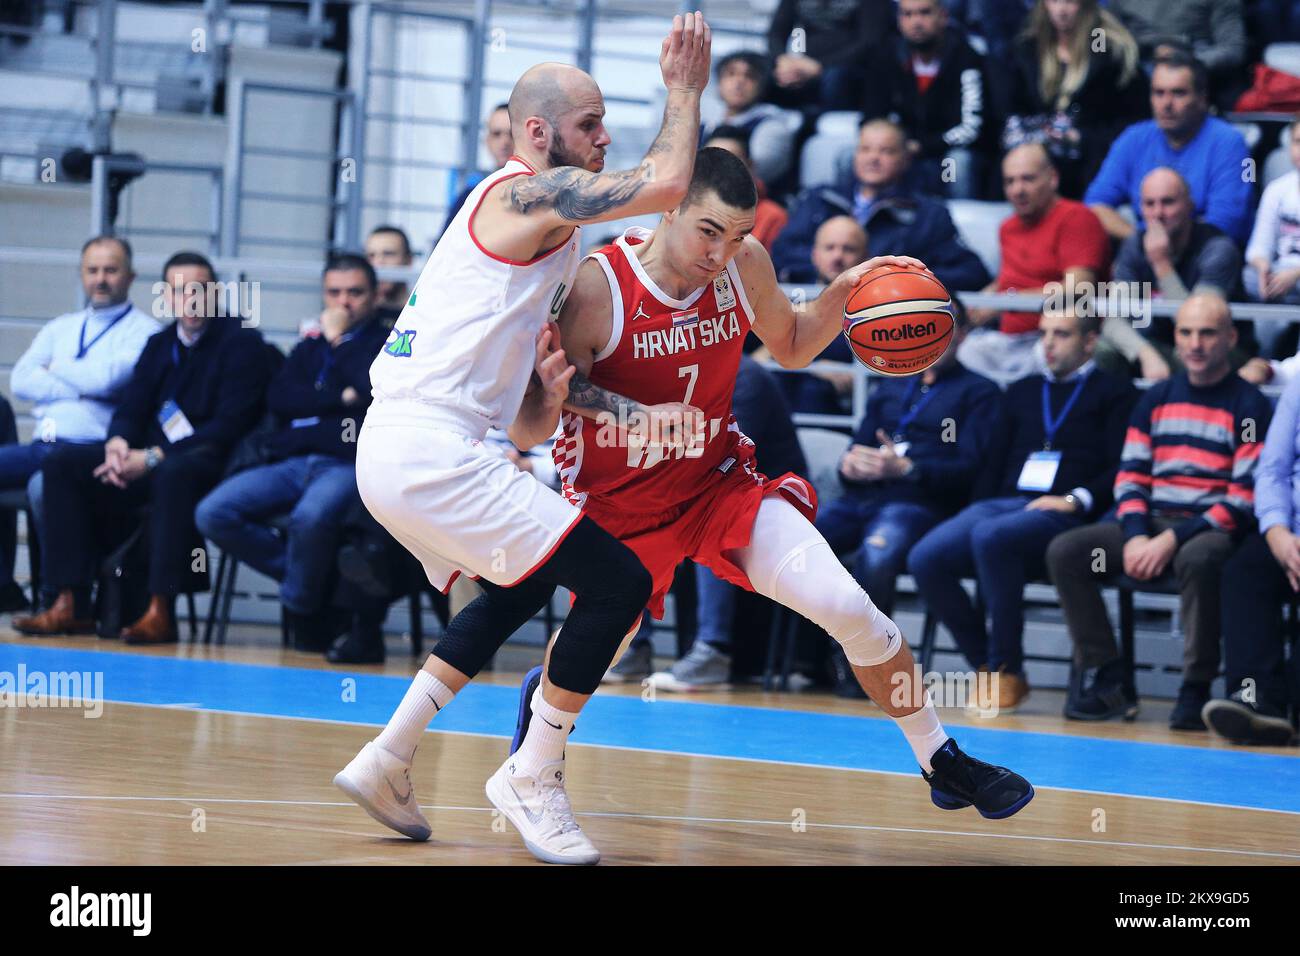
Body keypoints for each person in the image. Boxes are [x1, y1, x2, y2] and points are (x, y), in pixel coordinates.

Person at [516, 146, 1035, 820]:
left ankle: (941, 759)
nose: (720, 252)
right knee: (597, 648)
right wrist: (633, 416)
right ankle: (539, 753)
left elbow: (789, 343)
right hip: (620, 503)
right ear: (667, 206)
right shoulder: (596, 284)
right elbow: (551, 396)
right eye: (708, 231)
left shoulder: (741, 263)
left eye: (737, 235)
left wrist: (843, 293)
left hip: (716, 484)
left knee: (849, 608)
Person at [331, 13, 715, 867]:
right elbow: (668, 180)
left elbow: (532, 418)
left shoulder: (545, 236)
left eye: (606, 119)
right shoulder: (519, 194)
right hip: (427, 447)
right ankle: (530, 775)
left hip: (422, 451)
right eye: (590, 123)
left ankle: (388, 755)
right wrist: (685, 87)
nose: (604, 135)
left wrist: (631, 416)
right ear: (537, 133)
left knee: (519, 588)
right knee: (618, 585)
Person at [14, 252, 272, 644]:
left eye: (199, 290)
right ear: (167, 297)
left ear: (215, 293)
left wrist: (151, 458)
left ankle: (159, 608)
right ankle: (70, 600)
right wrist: (118, 445)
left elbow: (229, 426)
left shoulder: (242, 343)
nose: (190, 300)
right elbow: (132, 407)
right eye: (180, 291)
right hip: (146, 461)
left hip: (206, 464)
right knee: (62, 462)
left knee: (173, 473)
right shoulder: (159, 344)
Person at [1045, 292, 1272, 729]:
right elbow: (1130, 476)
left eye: (1207, 333)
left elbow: (1243, 498)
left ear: (1230, 337)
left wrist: (1169, 540)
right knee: (1067, 550)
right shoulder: (1155, 398)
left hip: (1208, 528)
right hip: (1147, 522)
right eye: (1186, 332)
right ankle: (1110, 676)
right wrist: (1134, 534)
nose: (1195, 344)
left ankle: (1195, 687)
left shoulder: (1249, 405)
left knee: (1200, 557)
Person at [909, 307, 1137, 712]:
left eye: (1061, 334)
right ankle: (986, 663)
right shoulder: (1022, 390)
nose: (1047, 343)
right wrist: (973, 509)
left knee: (992, 537)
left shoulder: (1116, 392)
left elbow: (1121, 467)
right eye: (1044, 334)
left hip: (1065, 509)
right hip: (1004, 504)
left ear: (1089, 342)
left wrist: (1075, 499)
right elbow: (993, 463)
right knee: (927, 556)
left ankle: (1007, 668)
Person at [196, 254, 389, 657]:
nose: (343, 303)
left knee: (310, 517)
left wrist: (338, 344)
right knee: (213, 512)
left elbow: (372, 390)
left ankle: (302, 607)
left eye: (354, 293)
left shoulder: (387, 343)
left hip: (346, 464)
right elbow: (281, 398)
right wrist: (339, 397)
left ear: (373, 296)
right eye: (334, 293)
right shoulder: (309, 346)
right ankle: (310, 583)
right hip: (292, 460)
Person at [815, 297, 1000, 696]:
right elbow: (859, 446)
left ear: (963, 334)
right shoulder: (892, 383)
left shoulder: (979, 393)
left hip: (919, 504)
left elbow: (970, 471)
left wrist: (908, 469)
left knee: (879, 552)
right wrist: (851, 465)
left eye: (944, 329)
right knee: (803, 544)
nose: (933, 338)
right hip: (866, 497)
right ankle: (813, 655)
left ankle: (870, 663)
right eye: (925, 328)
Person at [618, 354, 808, 689]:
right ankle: (631, 645)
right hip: (705, 490)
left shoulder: (747, 379)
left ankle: (713, 651)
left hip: (766, 496)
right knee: (632, 521)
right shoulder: (683, 376)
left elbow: (719, 456)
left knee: (712, 530)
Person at [0, 236, 159, 610]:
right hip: (42, 447)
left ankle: (60, 596)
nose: (100, 279)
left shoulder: (146, 332)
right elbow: (21, 380)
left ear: (131, 276)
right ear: (81, 275)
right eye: (92, 270)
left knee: (42, 488)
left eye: (111, 270)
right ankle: (7, 585)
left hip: (88, 452)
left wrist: (55, 371)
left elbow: (106, 380)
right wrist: (83, 385)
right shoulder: (62, 326)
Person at [961, 143, 1117, 385]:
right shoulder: (1007, 227)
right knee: (961, 353)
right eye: (1010, 181)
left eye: (1027, 179)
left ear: (1053, 178)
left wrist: (1007, 301)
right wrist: (972, 309)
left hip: (1056, 338)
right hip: (1008, 341)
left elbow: (1078, 290)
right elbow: (1006, 281)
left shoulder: (1077, 218)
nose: (1017, 190)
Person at [773, 119, 990, 291]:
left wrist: (893, 277)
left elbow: (971, 272)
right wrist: (831, 267)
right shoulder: (819, 199)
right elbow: (783, 252)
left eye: (886, 151)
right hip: (817, 308)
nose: (873, 158)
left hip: (888, 315)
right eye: (865, 149)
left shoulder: (929, 214)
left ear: (906, 158)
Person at [1202, 369, 1300, 746]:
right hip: (1288, 530)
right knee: (1245, 571)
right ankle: (1257, 701)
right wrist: (1277, 530)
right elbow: (1272, 469)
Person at [1083, 50, 1253, 246]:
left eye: (1178, 93)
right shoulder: (1134, 138)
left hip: (1205, 257)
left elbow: (1226, 223)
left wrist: (1167, 248)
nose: (1166, 104)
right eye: (1159, 93)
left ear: (1202, 98)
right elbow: (1095, 204)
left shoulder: (1230, 143)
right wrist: (1141, 241)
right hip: (1144, 253)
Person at [1002, 0, 1147, 198]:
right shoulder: (1028, 47)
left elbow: (1132, 119)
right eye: (1055, 1)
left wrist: (1082, 138)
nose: (1061, 10)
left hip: (1093, 153)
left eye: (1070, 1)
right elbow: (1016, 109)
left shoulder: (1109, 50)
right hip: (1042, 148)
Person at [1112, 166, 1248, 365]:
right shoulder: (1134, 245)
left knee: (1188, 353)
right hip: (1156, 344)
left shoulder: (1217, 248)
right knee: (1105, 350)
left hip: (1218, 351)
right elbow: (1113, 318)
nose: (1158, 213)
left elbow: (1200, 325)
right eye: (1150, 204)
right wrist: (1144, 353)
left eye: (1168, 202)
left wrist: (1161, 264)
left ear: (1189, 205)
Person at [860, 0, 989, 199]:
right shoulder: (887, 56)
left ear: (943, 16)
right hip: (900, 152)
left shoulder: (967, 58)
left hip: (945, 152)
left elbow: (971, 127)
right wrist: (894, 146)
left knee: (957, 164)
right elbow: (872, 117)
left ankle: (956, 220)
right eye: (908, 14)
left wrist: (922, 146)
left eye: (924, 13)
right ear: (899, 20)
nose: (916, 22)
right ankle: (864, 215)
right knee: (853, 156)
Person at [764, 0, 894, 112]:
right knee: (758, 68)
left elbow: (870, 42)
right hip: (804, 64)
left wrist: (820, 66)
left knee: (836, 76)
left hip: (850, 67)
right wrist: (783, 60)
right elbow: (776, 32)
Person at [700, 52, 796, 187]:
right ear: (719, 83)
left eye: (750, 76)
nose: (739, 82)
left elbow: (750, 177)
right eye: (731, 74)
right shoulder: (705, 123)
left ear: (762, 85)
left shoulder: (774, 127)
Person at [1243, 118, 1300, 307]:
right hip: (1280, 273)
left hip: (1294, 276)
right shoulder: (1277, 189)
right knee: (1249, 277)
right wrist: (1262, 267)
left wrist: (1296, 274)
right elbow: (1259, 246)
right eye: (1298, 142)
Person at [703, 126, 788, 251]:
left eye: (731, 160)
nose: (721, 169)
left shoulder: (773, 217)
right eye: (713, 160)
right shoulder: (680, 208)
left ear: (750, 165)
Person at [441, 103, 514, 233]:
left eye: (512, 134)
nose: (505, 142)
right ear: (487, 140)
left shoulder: (541, 194)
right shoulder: (469, 196)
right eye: (496, 134)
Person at [364, 225, 414, 326]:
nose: (378, 263)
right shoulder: (358, 315)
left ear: (408, 259)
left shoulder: (422, 313)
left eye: (388, 254)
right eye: (371, 255)